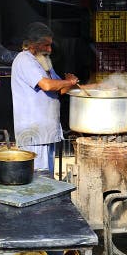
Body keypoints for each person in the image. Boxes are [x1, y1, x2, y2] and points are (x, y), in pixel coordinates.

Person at [10, 22, 78, 176]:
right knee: (38, 179)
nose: (50, 50)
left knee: (47, 178)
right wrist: (68, 82)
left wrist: (75, 83)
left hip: (46, 132)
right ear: (33, 44)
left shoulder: (43, 62)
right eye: (46, 45)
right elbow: (47, 85)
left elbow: (60, 88)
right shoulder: (24, 60)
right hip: (34, 134)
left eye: (50, 45)